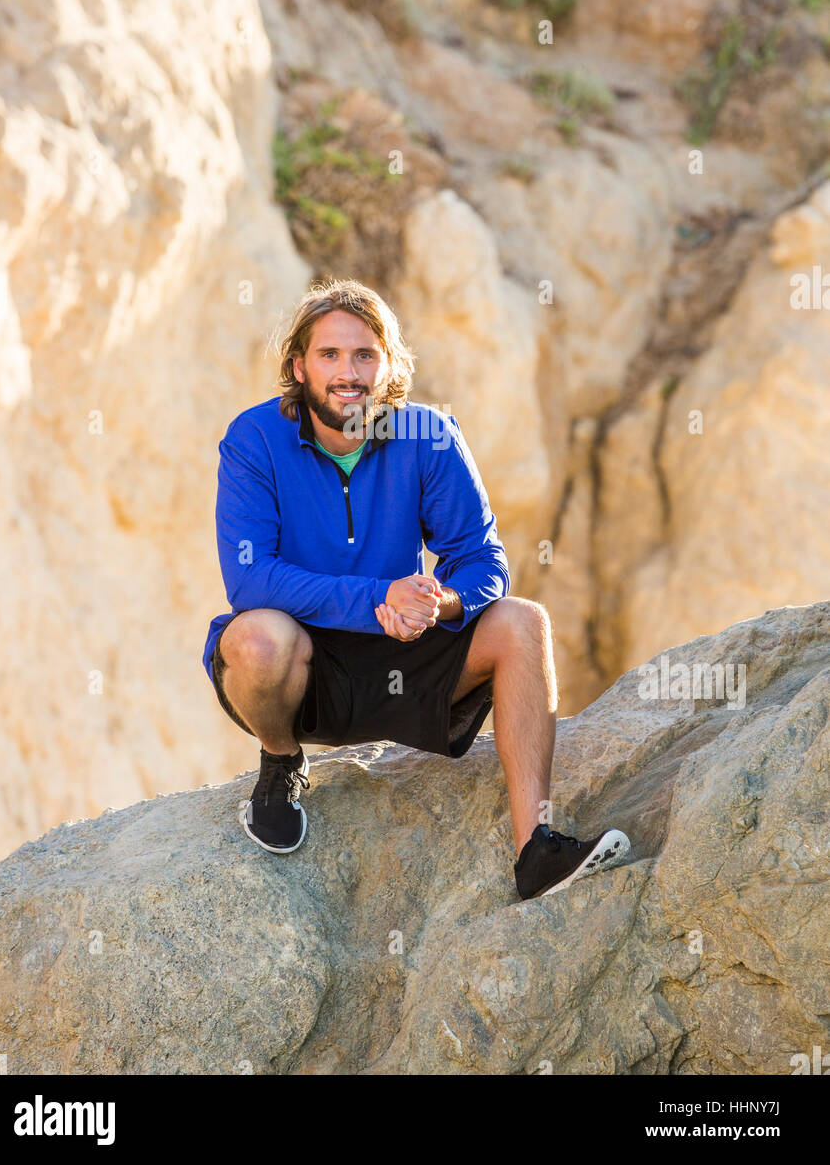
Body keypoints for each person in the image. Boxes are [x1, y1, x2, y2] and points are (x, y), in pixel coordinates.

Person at [202, 278, 630, 901]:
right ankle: (280, 760)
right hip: (306, 672)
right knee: (257, 639)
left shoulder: (429, 436)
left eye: (364, 355)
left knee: (523, 622)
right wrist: (380, 601)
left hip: (407, 661)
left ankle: (536, 851)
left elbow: (483, 560)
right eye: (329, 355)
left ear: (389, 366)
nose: (347, 373)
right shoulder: (253, 440)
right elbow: (250, 578)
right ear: (298, 366)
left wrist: (441, 602)